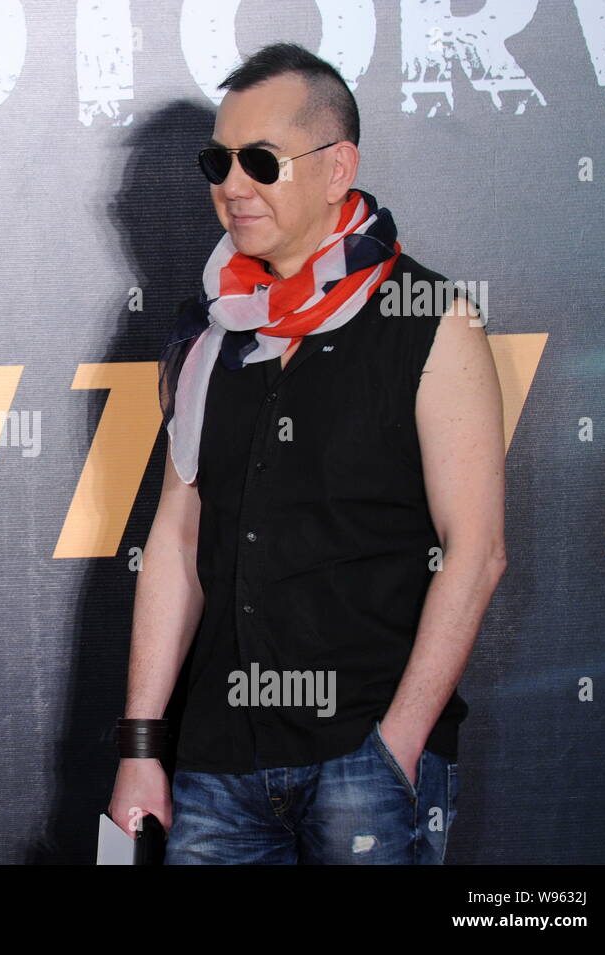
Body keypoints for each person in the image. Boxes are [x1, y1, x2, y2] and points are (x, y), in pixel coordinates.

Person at [108, 43, 506, 864]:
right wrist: (142, 744)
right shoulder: (209, 335)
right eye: (218, 160)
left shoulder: (432, 320)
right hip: (214, 767)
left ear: (337, 168)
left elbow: (478, 552)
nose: (232, 184)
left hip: (367, 756)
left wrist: (394, 746)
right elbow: (177, 545)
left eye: (260, 161)